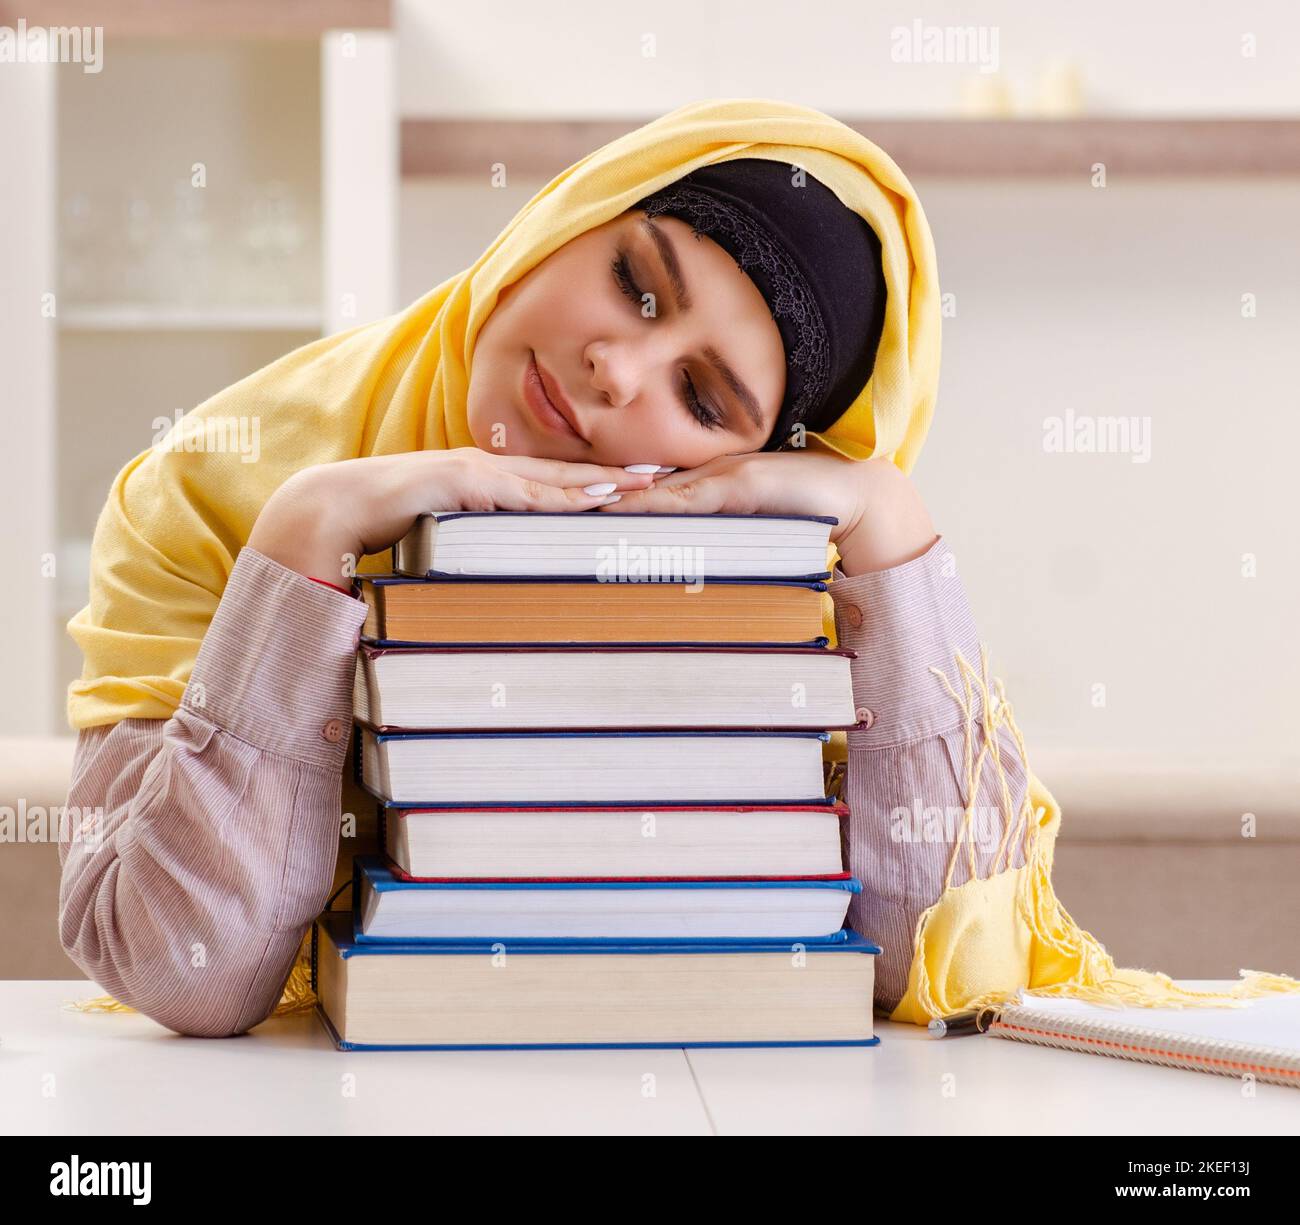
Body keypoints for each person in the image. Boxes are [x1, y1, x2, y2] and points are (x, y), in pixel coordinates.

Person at [60, 100, 1296, 1039]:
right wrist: (302, 542)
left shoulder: (791, 578)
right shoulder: (205, 494)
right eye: (635, 283)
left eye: (703, 397)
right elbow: (185, 969)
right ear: (562, 222)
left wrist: (886, 524)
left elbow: (935, 957)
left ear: (758, 459)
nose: (616, 371)